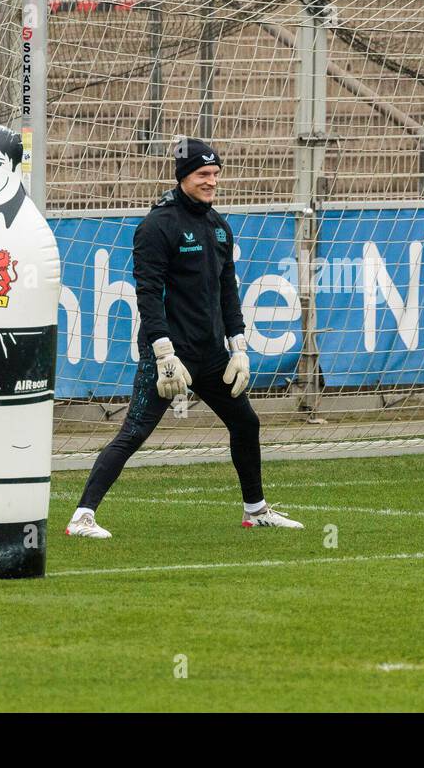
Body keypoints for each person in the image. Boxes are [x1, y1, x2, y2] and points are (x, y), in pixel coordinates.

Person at [66, 139, 303, 537]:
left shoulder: (219, 227)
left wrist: (239, 346)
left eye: (215, 175)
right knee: (135, 432)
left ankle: (256, 510)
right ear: (183, 177)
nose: (211, 182)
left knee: (245, 423)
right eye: (202, 175)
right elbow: (148, 293)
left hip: (211, 354)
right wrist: (162, 352)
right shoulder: (158, 225)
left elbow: (228, 291)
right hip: (169, 354)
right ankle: (82, 516)